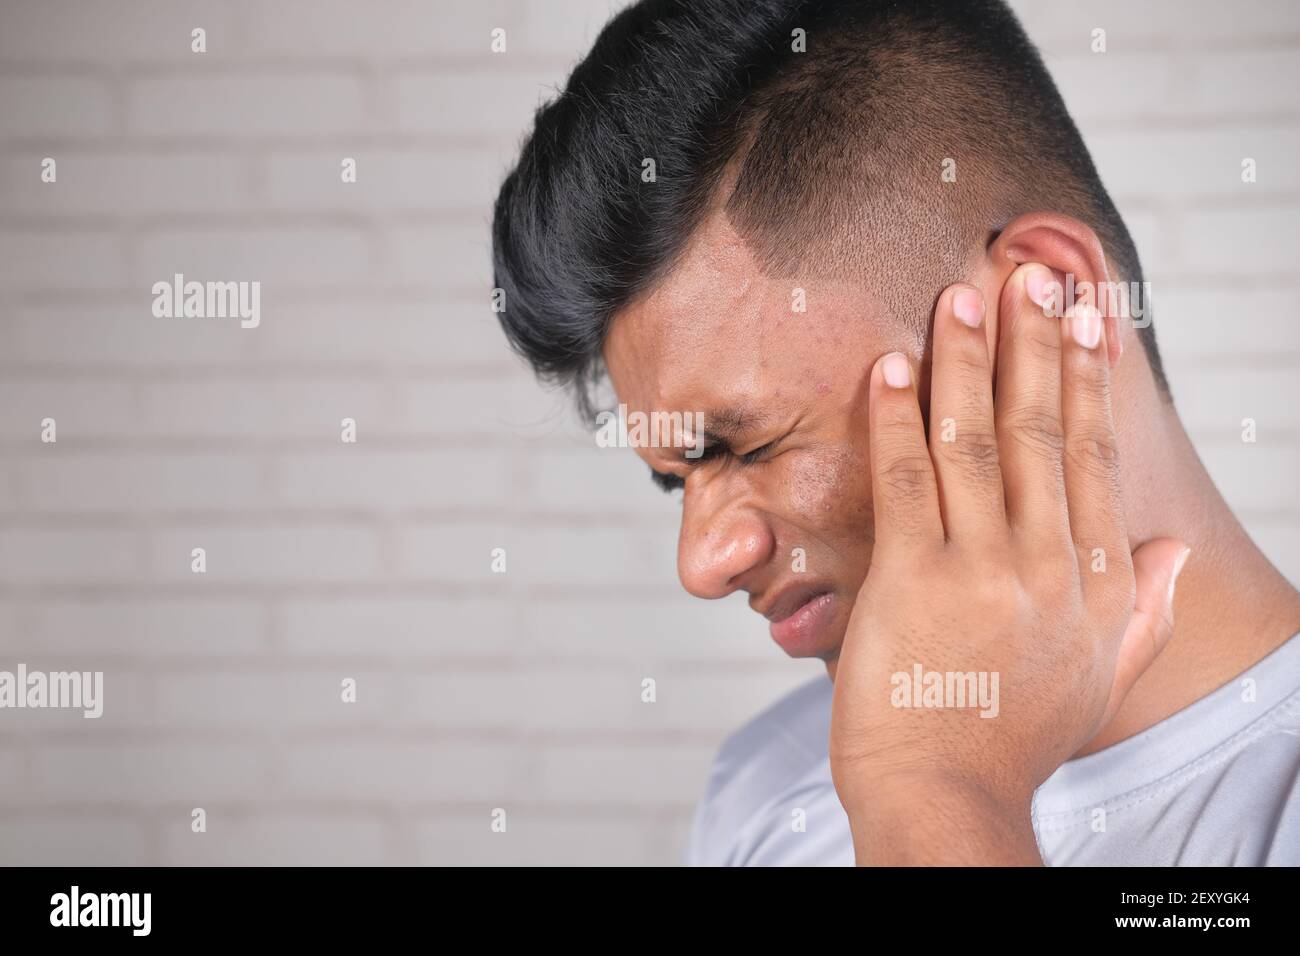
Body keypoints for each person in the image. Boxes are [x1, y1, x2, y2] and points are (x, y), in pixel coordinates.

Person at [491, 0, 1300, 865]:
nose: (702, 564)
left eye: (746, 444)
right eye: (675, 478)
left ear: (1048, 298)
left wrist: (935, 791)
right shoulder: (766, 795)